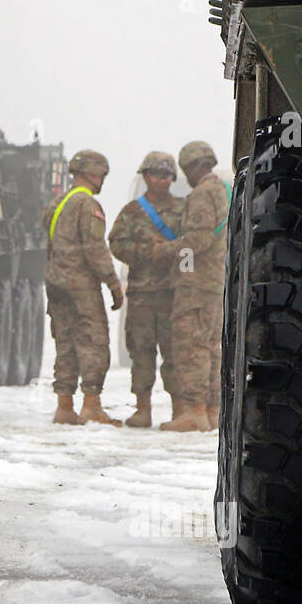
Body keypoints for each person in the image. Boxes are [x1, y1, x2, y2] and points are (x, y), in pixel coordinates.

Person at [149, 141, 231, 432]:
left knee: (191, 348)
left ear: (192, 167)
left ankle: (195, 411)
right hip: (215, 281)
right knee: (210, 347)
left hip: (196, 283)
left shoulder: (202, 194)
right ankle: (210, 410)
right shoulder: (225, 191)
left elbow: (198, 241)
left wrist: (165, 250)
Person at [41, 150, 126, 426]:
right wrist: (113, 283)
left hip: (56, 283)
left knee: (65, 342)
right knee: (93, 342)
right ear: (93, 174)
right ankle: (91, 405)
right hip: (80, 286)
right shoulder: (87, 204)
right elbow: (95, 248)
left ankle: (64, 407)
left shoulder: (58, 203)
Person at [108, 151, 184, 428]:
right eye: (156, 174)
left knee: (174, 352)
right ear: (146, 176)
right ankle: (143, 409)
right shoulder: (132, 212)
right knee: (140, 351)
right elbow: (116, 243)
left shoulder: (183, 209)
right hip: (141, 294)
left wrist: (177, 260)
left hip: (173, 294)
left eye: (166, 175)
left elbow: (195, 244)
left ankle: (180, 409)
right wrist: (146, 253)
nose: (161, 180)